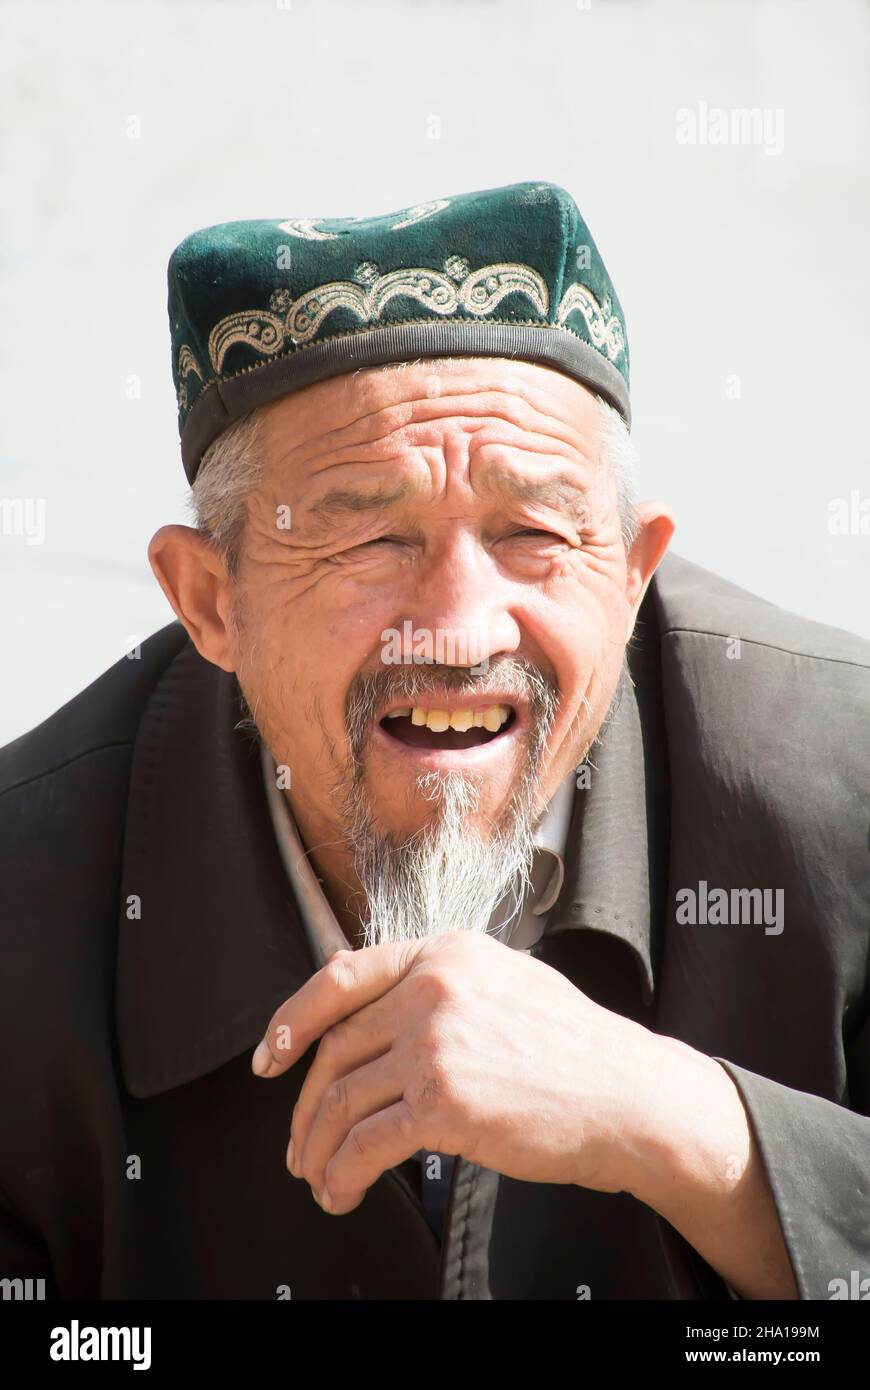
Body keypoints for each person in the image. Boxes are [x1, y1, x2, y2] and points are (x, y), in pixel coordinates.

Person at [1, 182, 867, 1301]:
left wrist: (682, 1124)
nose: (458, 630)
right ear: (212, 601)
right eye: (369, 537)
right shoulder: (27, 904)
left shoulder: (840, 787)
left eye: (534, 531)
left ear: (633, 570)